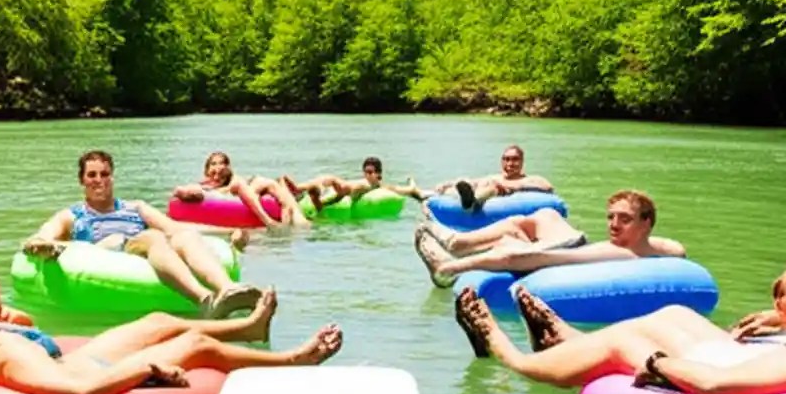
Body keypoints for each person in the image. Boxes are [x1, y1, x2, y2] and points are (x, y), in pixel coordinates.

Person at [0, 248, 344, 394]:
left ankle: (247, 327)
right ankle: (295, 361)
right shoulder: (2, 353)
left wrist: (6, 321)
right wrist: (145, 368)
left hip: (76, 359)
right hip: (95, 376)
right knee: (196, 342)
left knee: (158, 319)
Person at [452, 250, 786, 394]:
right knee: (674, 313)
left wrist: (656, 361)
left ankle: (504, 350)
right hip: (736, 355)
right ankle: (568, 338)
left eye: (781, 293)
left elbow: (714, 385)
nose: (775, 297)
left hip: (712, 368)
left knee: (625, 341)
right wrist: (778, 317)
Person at [21, 150, 261, 319]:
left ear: (112, 177)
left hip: (144, 251)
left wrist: (233, 233)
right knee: (153, 237)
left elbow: (177, 228)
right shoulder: (72, 216)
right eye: (92, 175)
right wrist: (43, 247)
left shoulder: (136, 207)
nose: (99, 181)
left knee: (183, 237)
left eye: (104, 174)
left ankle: (227, 289)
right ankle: (204, 300)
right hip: (109, 251)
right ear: (82, 181)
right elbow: (42, 236)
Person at [414, 189, 686, 287]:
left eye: (624, 219)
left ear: (646, 222)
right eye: (610, 217)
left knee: (512, 240)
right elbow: (676, 249)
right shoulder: (653, 246)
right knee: (544, 215)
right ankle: (457, 243)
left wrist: (453, 269)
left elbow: (537, 257)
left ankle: (449, 263)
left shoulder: (616, 253)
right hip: (576, 240)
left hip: (565, 252)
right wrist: (645, 241)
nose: (613, 225)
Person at [171, 151, 311, 230]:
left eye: (222, 163)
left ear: (227, 167)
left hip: (255, 191)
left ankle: (276, 224)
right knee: (275, 187)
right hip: (248, 192)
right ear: (207, 169)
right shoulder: (205, 183)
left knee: (279, 194)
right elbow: (190, 190)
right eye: (214, 164)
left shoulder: (234, 180)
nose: (218, 167)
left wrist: (222, 189)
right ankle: (288, 219)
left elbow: (237, 186)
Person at [278, 157, 429, 212]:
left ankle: (308, 195)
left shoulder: (382, 187)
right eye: (365, 172)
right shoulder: (365, 183)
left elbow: (406, 190)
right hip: (341, 187)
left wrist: (413, 187)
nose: (367, 175)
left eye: (370, 172)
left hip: (344, 191)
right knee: (325, 179)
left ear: (378, 174)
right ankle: (297, 190)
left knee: (328, 191)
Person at [431, 145, 554, 211]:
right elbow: (473, 182)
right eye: (506, 159)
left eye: (515, 159)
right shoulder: (494, 177)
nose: (510, 164)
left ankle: (472, 202)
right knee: (464, 182)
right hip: (478, 193)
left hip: (494, 200)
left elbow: (548, 187)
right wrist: (446, 184)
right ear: (501, 161)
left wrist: (509, 186)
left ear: (522, 161)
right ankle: (422, 193)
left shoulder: (529, 179)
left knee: (493, 187)